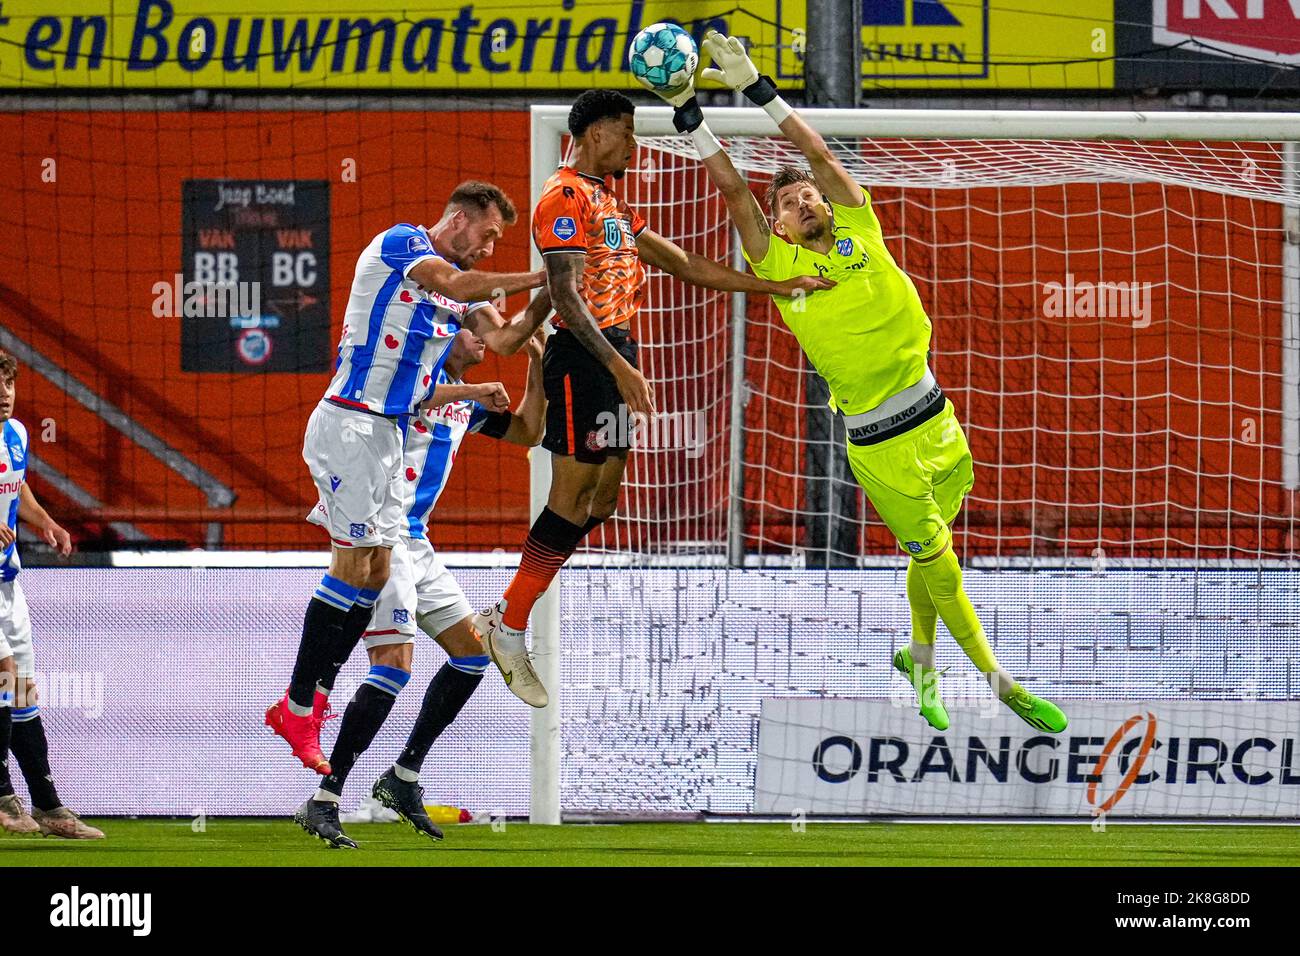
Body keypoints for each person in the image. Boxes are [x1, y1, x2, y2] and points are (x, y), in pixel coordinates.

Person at [656, 33, 1068, 733]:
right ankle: (998, 682)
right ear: (778, 222)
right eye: (791, 204)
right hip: (879, 441)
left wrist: (758, 87)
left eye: (810, 197)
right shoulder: (779, 266)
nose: (805, 204)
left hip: (937, 416)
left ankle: (919, 656)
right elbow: (732, 188)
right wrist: (689, 111)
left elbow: (818, 153)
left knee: (932, 550)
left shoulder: (858, 226)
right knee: (939, 559)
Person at [476, 90, 834, 706]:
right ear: (591, 136)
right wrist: (619, 369)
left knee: (603, 502)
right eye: (626, 132)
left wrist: (773, 285)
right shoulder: (562, 196)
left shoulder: (610, 202)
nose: (636, 145)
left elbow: (684, 262)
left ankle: (508, 613)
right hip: (586, 360)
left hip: (615, 353)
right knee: (570, 495)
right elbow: (564, 295)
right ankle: (507, 627)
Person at [267, 180, 550, 774]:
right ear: (456, 218)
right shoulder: (403, 244)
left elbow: (500, 336)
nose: (491, 248)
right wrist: (539, 276)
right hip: (350, 421)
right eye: (489, 234)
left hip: (385, 438)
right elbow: (453, 283)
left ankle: (309, 703)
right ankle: (299, 705)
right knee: (359, 570)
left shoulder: (460, 299)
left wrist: (558, 293)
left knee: (373, 569)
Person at [293, 326, 548, 848]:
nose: (486, 340)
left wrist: (538, 361)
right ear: (446, 335)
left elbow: (527, 431)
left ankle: (402, 778)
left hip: (418, 542)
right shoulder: (413, 381)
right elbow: (410, 396)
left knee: (472, 652)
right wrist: (475, 390)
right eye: (477, 331)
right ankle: (326, 797)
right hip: (383, 537)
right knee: (394, 665)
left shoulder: (462, 403)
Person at [0, 348, 105, 839]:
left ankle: (47, 806)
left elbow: (15, 491)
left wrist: (46, 522)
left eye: (9, 383)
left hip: (8, 584)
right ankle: (2, 796)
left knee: (22, 692)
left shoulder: (16, 434)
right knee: (4, 679)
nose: (4, 393)